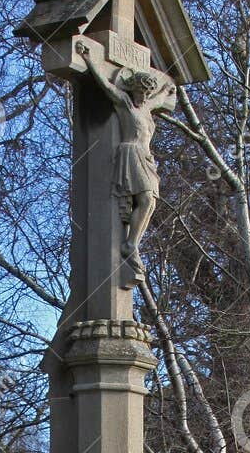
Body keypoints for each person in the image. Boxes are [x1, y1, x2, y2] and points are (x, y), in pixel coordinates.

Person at [75, 37, 176, 286]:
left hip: (145, 156)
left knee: (150, 201)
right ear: (133, 88)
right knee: (144, 197)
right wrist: (89, 58)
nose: (144, 95)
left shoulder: (146, 106)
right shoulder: (124, 102)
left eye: (147, 92)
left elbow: (162, 97)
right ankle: (130, 244)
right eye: (141, 91)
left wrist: (168, 89)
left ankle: (132, 243)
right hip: (130, 152)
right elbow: (106, 85)